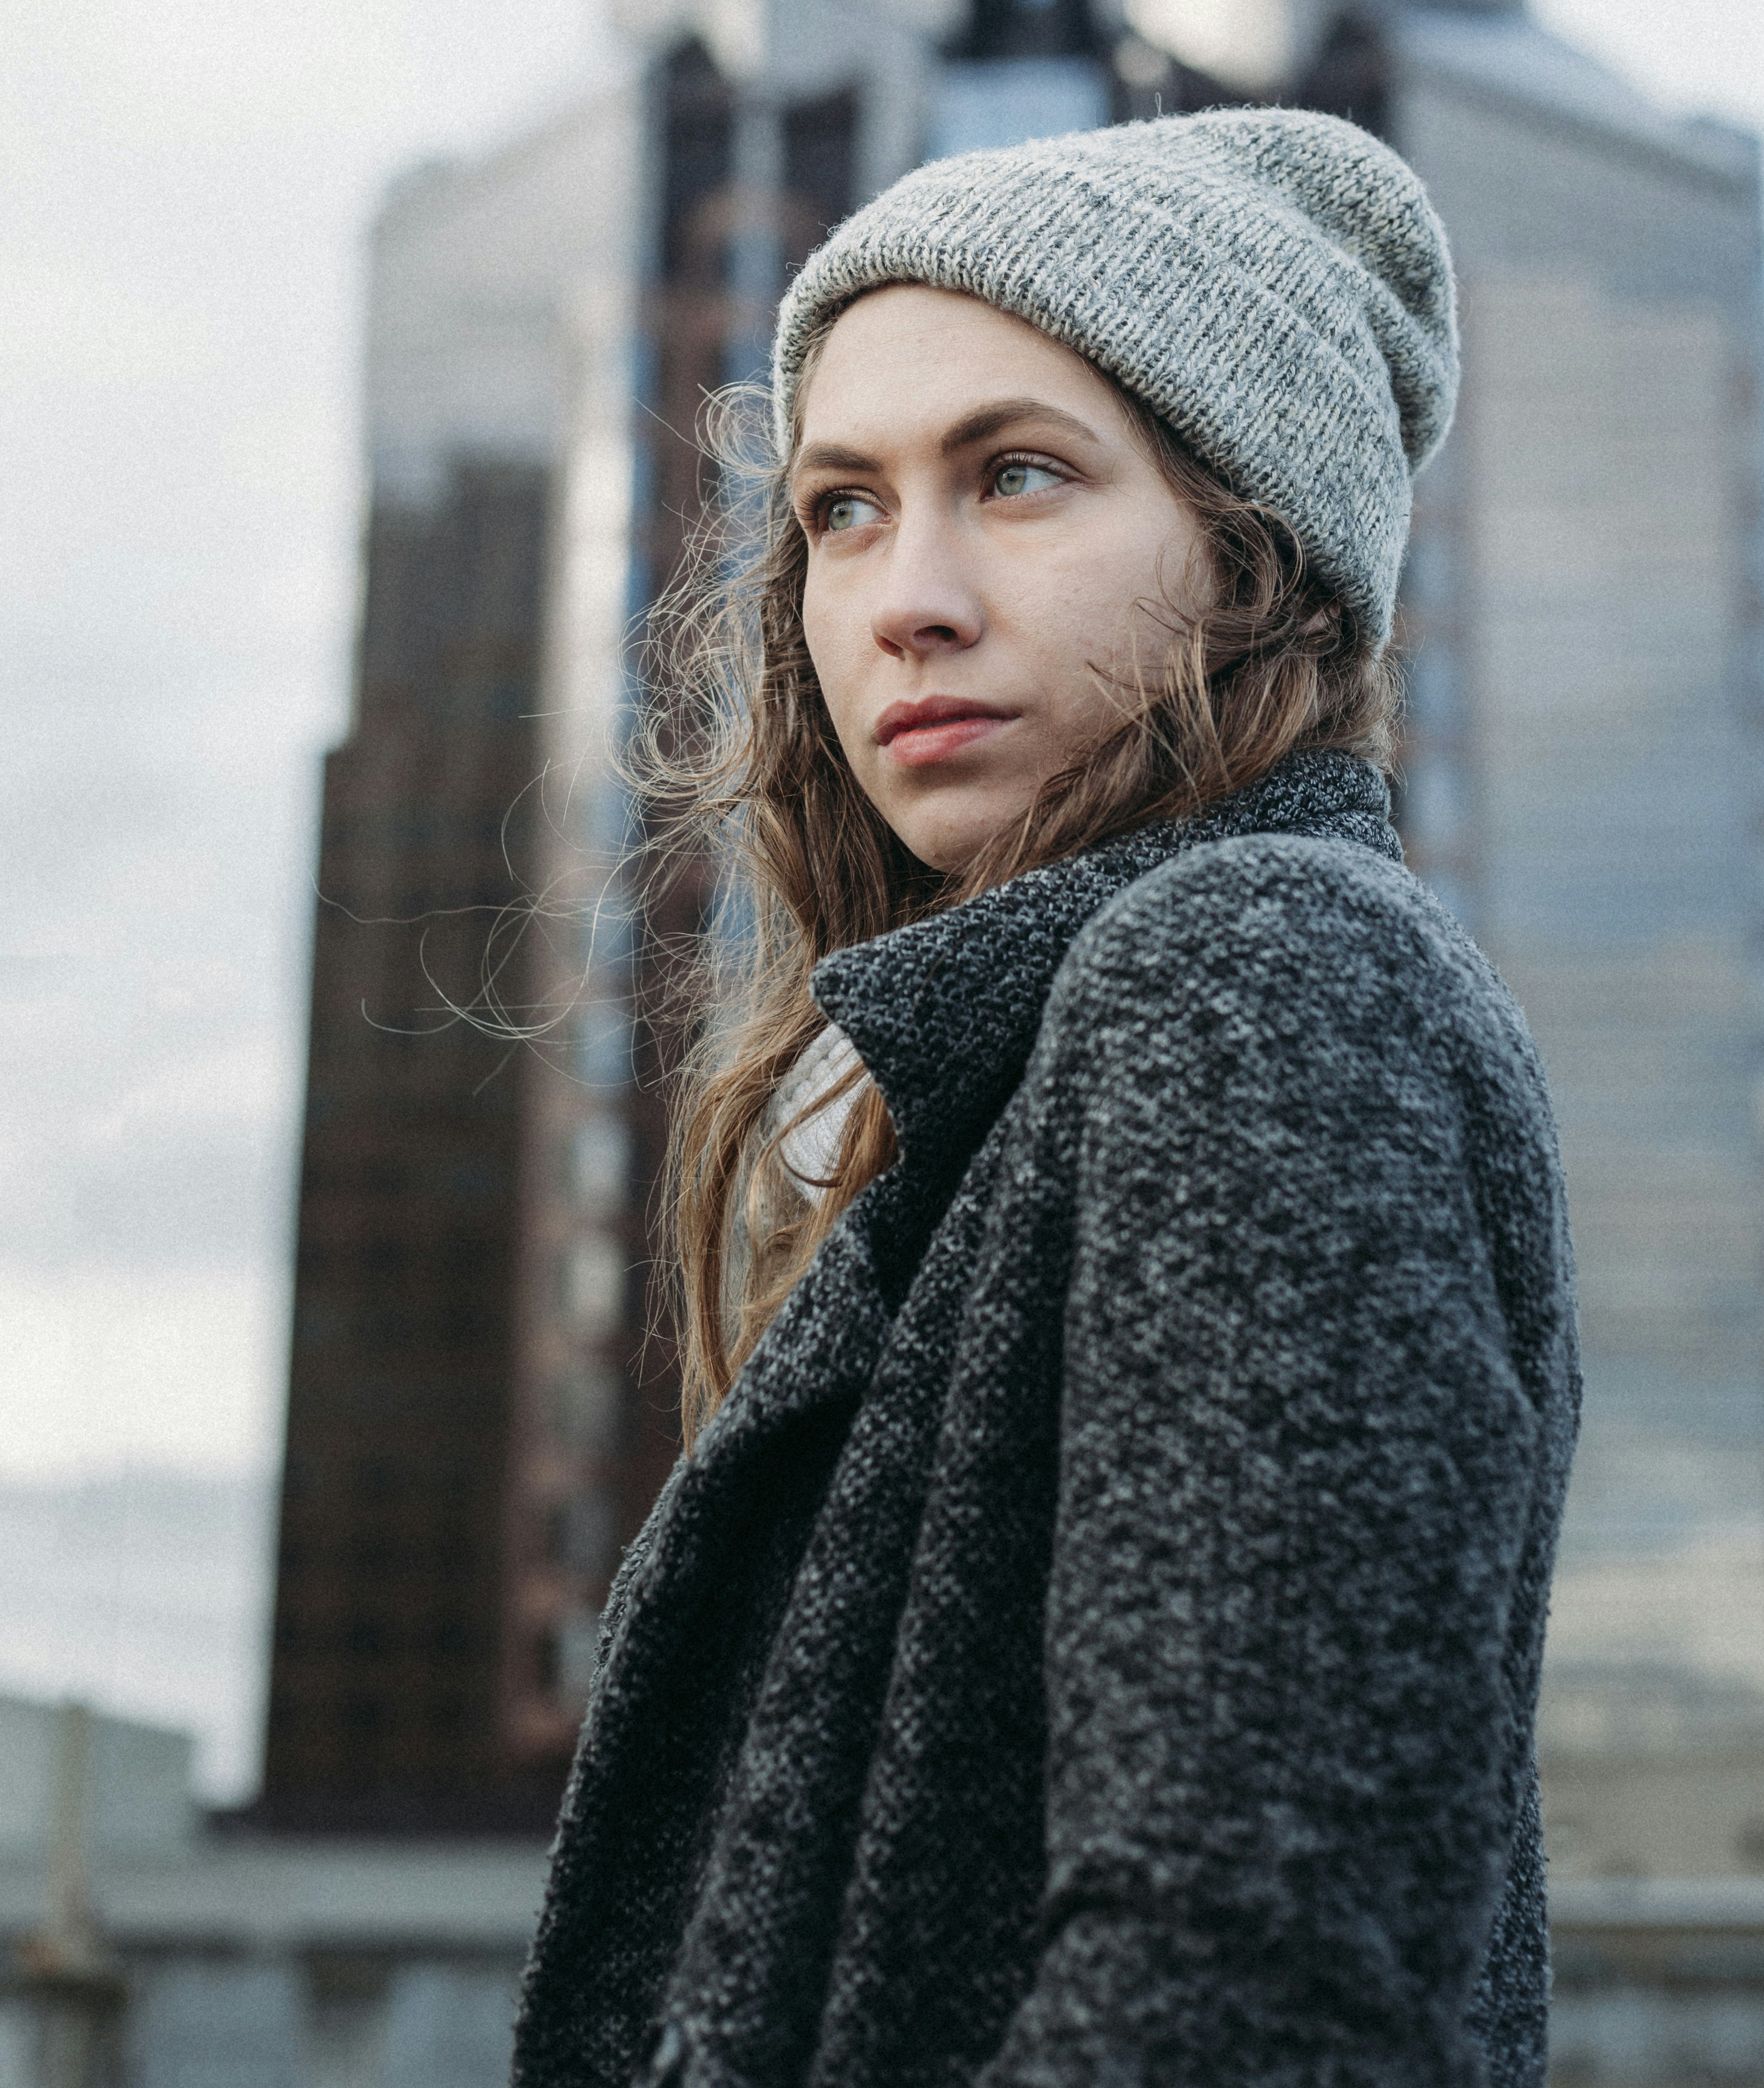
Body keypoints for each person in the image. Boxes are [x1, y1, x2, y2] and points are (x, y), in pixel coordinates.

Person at [513, 105, 1581, 2088]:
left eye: (1016, 476)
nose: (901, 594)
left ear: (1257, 554)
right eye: (840, 508)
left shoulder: (1258, 975)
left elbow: (1248, 1981)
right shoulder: (1007, 1079)